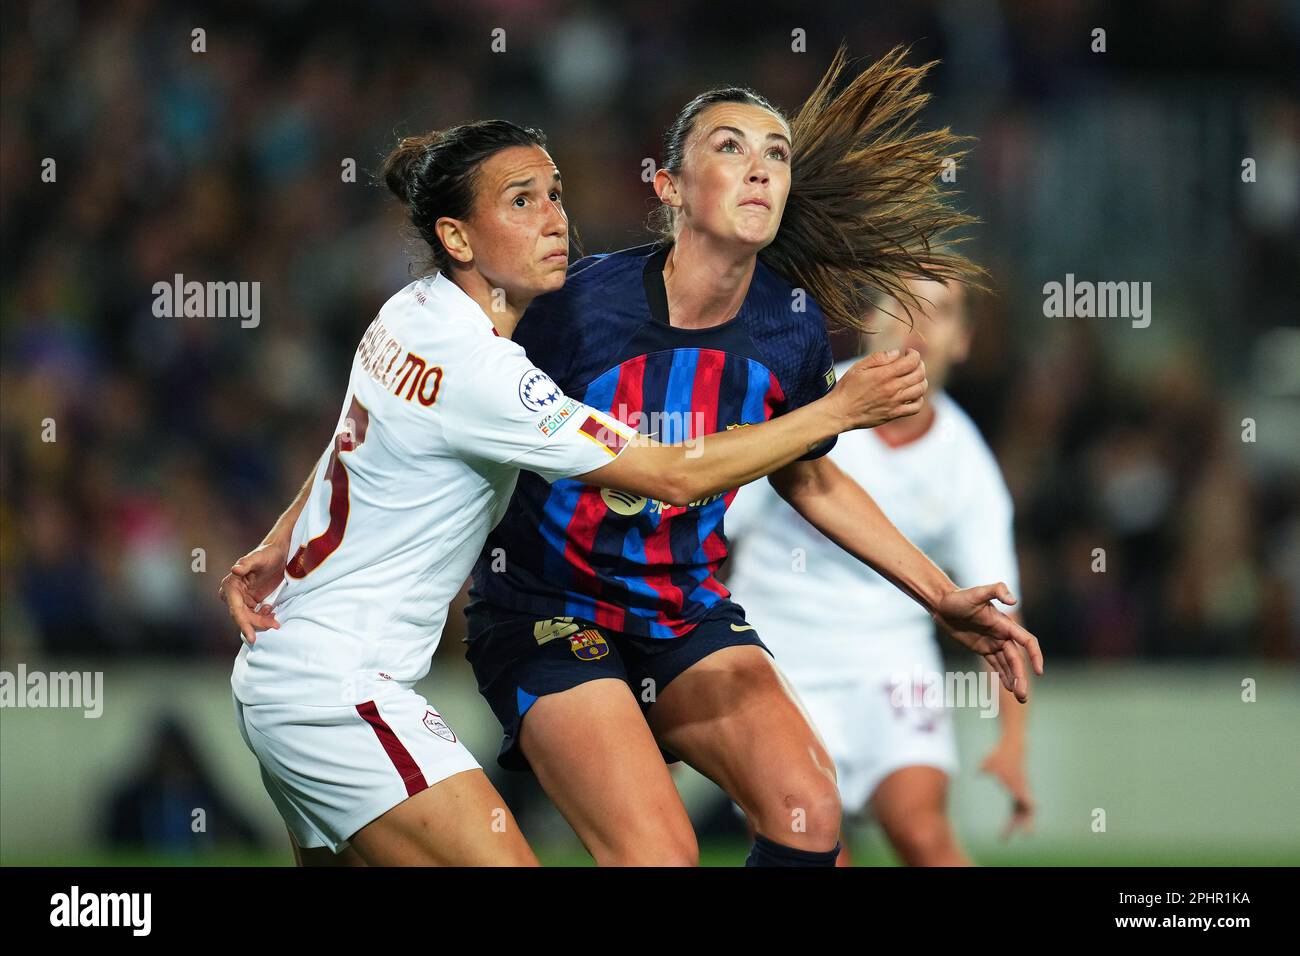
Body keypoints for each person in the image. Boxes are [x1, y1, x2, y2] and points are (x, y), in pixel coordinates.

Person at [221, 119, 932, 867]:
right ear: (458, 240)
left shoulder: (409, 313)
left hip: (294, 665)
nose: (555, 217)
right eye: (521, 201)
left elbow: (349, 443)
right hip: (339, 692)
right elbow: (672, 474)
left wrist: (280, 538)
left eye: (554, 194)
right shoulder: (492, 377)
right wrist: (837, 410)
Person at [457, 47, 1043, 867]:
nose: (760, 168)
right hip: (549, 611)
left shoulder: (788, 329)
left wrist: (940, 595)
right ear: (667, 187)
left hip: (679, 612)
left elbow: (807, 474)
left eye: (777, 154)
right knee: (662, 854)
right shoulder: (574, 309)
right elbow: (446, 417)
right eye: (730, 147)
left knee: (809, 811)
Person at [726, 278, 1035, 866]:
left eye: (939, 311)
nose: (917, 322)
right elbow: (715, 533)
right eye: (902, 302)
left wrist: (1013, 745)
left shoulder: (966, 462)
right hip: (778, 655)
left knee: (923, 834)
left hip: (894, 663)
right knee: (814, 847)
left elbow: (1002, 614)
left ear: (963, 340)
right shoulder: (807, 405)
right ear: (871, 319)